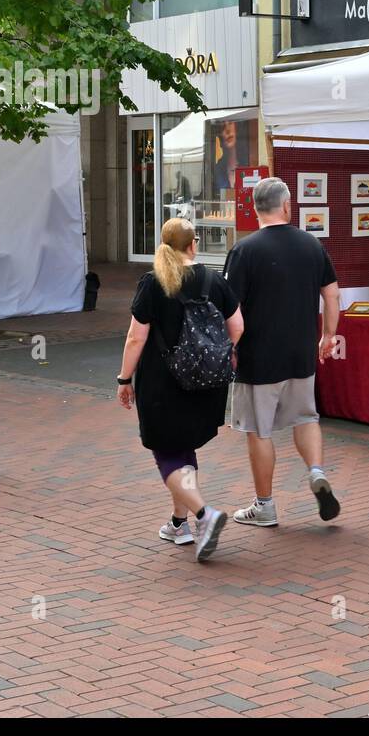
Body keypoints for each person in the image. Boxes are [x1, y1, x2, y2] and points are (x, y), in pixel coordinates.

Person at [116, 217, 243, 563]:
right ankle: (179, 523)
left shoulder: (153, 282)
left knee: (167, 452)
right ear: (193, 244)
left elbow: (135, 337)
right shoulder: (214, 280)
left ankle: (204, 514)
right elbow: (238, 326)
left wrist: (124, 379)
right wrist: (222, 354)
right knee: (183, 446)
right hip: (206, 382)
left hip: (163, 382)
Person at [224, 177, 342, 528]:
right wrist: (328, 336)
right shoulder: (311, 245)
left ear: (255, 209)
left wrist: (229, 347)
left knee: (259, 431)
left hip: (258, 356)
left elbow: (231, 309)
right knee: (307, 418)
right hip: (301, 352)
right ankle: (317, 471)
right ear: (288, 206)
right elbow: (332, 295)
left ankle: (265, 505)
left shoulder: (244, 251)